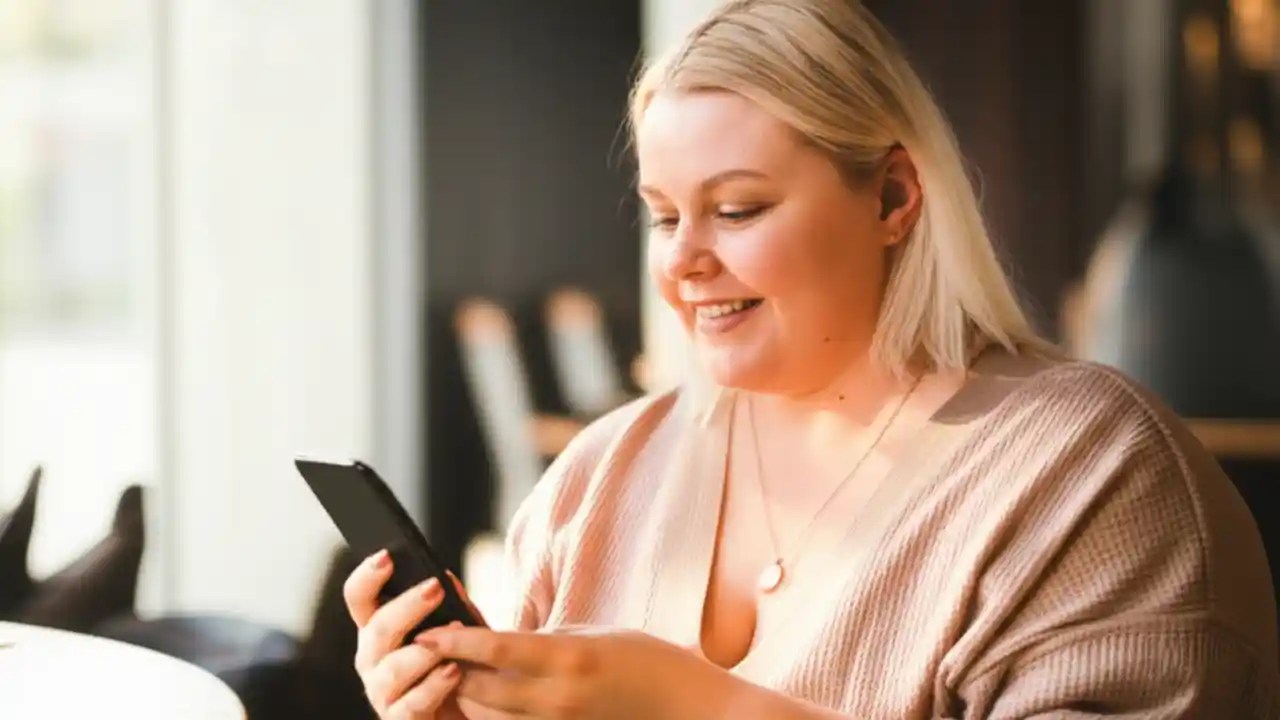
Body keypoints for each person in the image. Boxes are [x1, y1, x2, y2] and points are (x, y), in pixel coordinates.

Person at [343, 1, 1280, 717]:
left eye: (739, 208)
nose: (681, 260)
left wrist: (703, 704)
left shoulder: (1090, 475)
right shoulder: (602, 477)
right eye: (665, 215)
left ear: (893, 197)